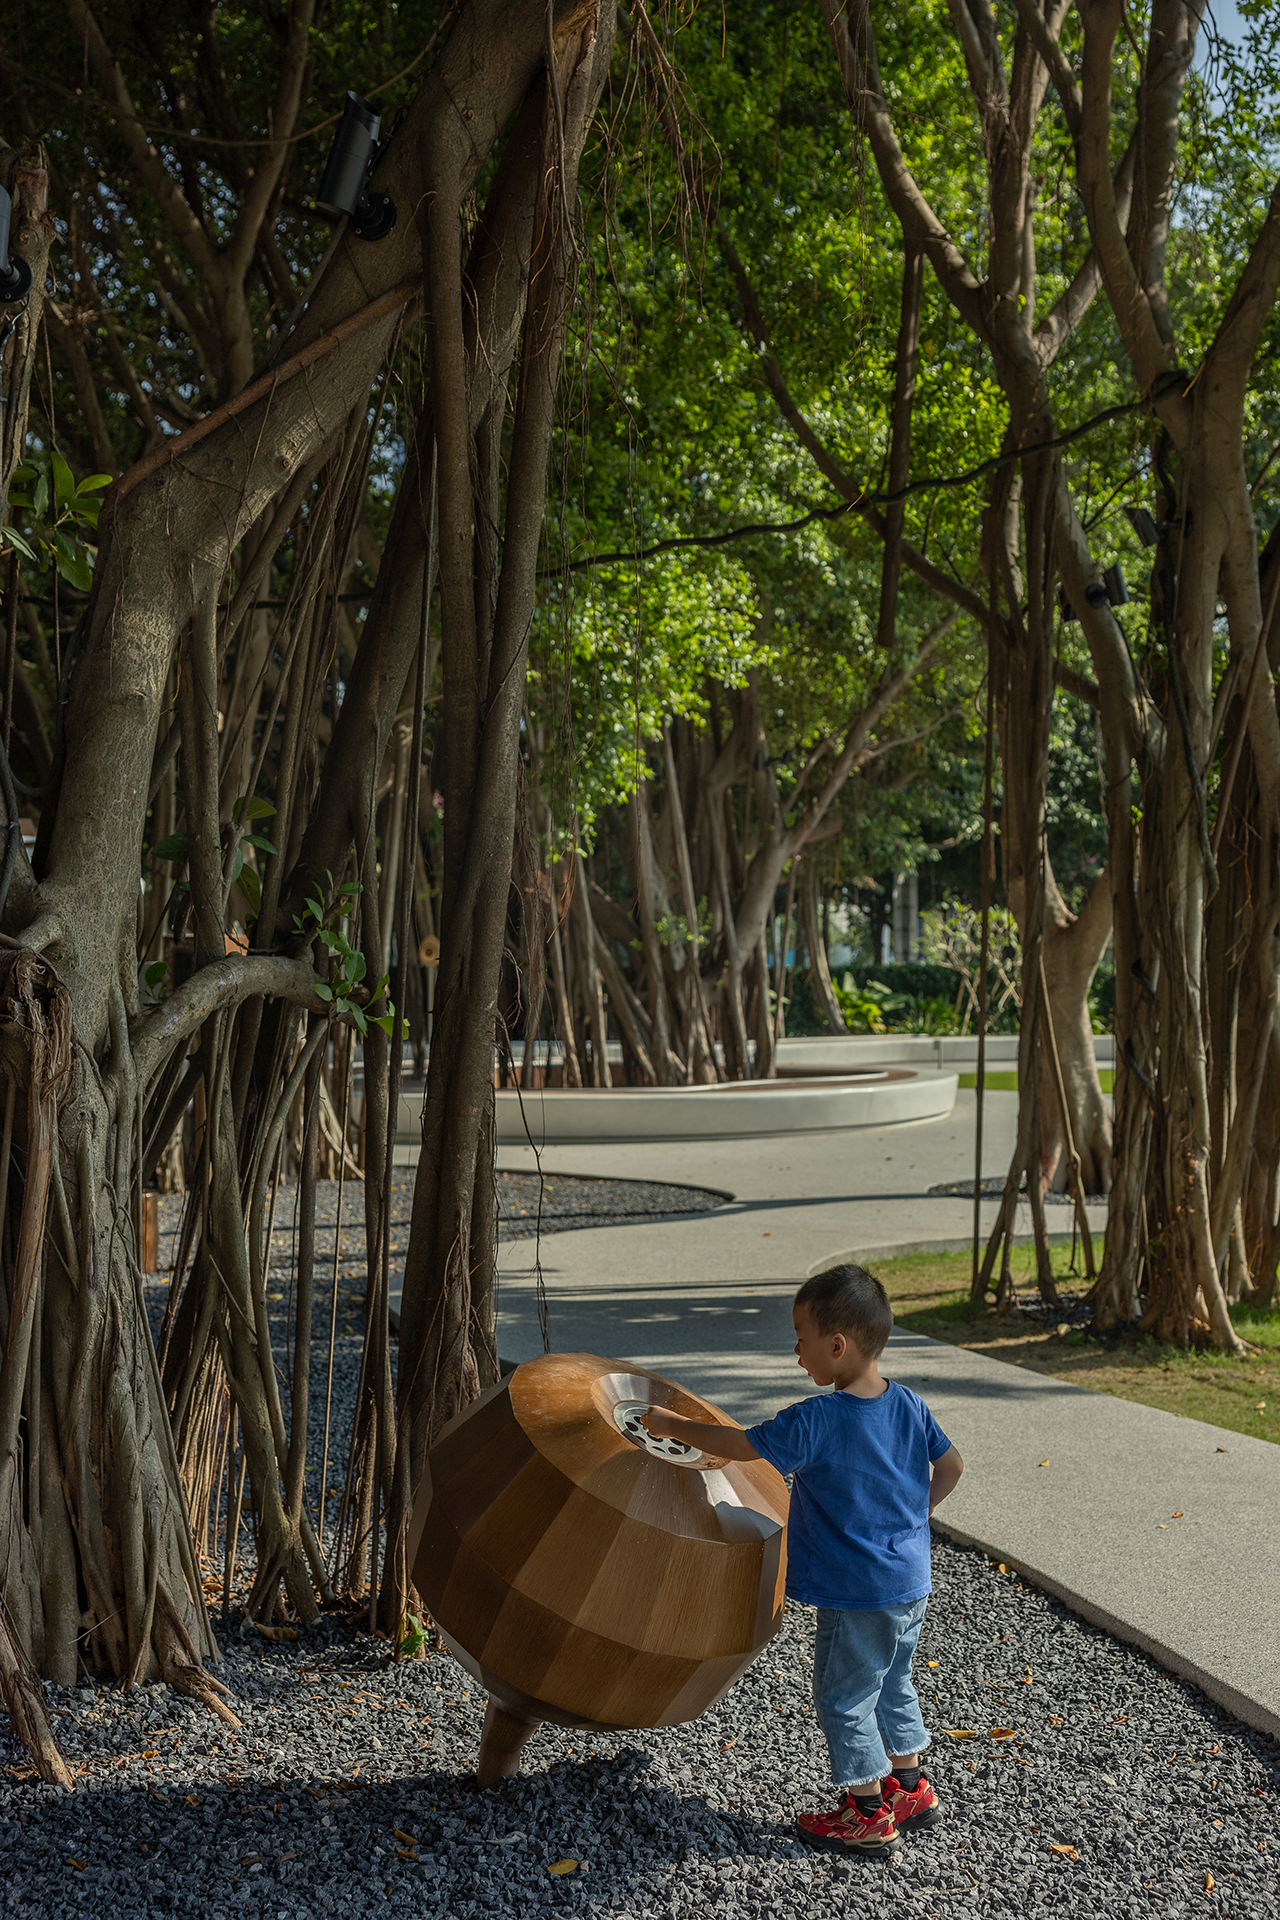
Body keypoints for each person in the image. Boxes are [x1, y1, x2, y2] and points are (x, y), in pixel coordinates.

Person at [642, 1261, 963, 1860]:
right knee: (893, 1681)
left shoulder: (818, 1420)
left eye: (801, 1337)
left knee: (843, 1697)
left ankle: (866, 1812)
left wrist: (669, 1423)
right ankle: (912, 1787)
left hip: (856, 1591)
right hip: (909, 1580)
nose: (796, 1352)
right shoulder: (910, 1405)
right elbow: (951, 1469)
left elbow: (742, 1446)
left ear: (836, 1345)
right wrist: (911, 1520)